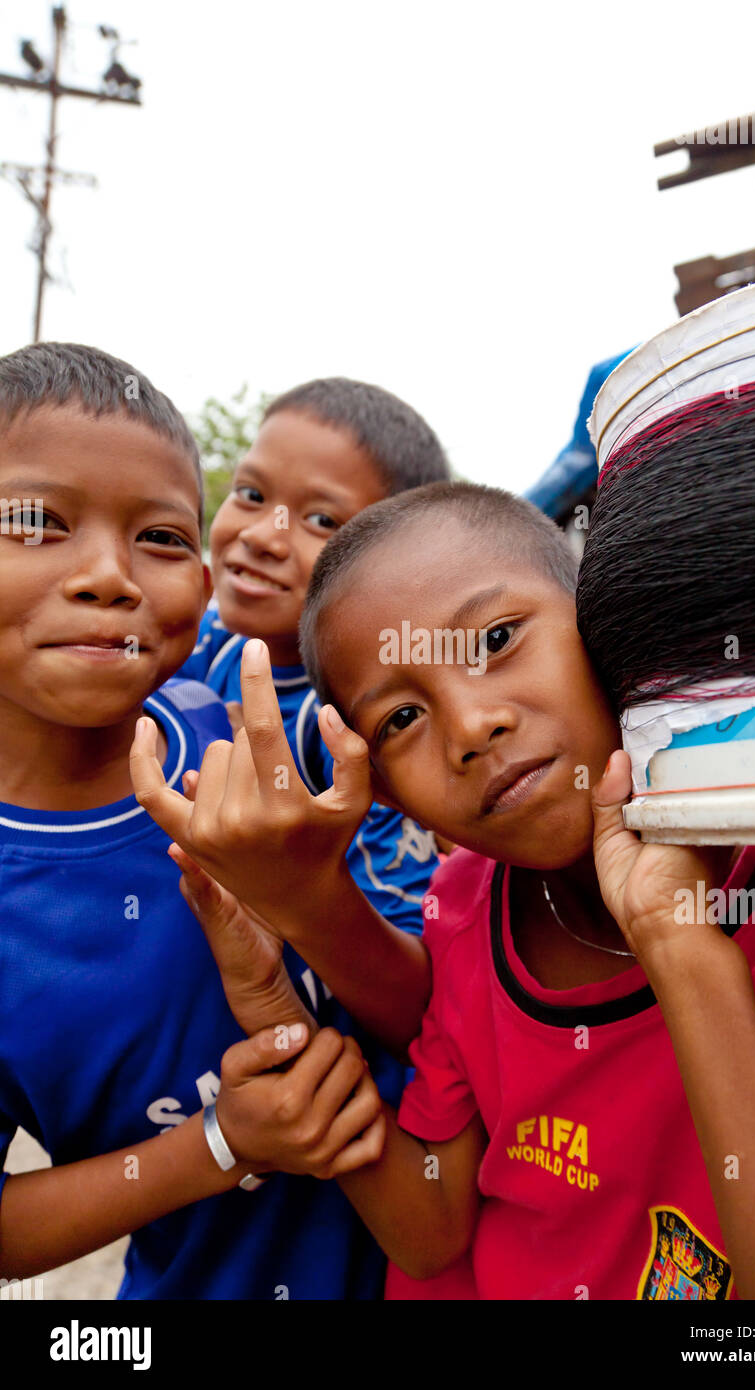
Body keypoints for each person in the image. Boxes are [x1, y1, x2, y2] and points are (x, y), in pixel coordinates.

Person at [134, 481, 755, 1300]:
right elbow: (428, 1229)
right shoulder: (464, 905)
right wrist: (273, 1002)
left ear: (603, 623)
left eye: (498, 637)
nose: (472, 724)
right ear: (385, 793)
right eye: (401, 720)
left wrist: (680, 944)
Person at [0, 343, 387, 1302]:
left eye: (162, 538)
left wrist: (317, 899)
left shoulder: (265, 740)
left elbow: (436, 1001)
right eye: (34, 523)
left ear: (204, 593)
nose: (106, 578)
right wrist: (219, 1145)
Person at [178, 377, 448, 966]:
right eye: (250, 494)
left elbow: (403, 938)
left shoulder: (354, 730)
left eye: (322, 521)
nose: (259, 536)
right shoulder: (190, 640)